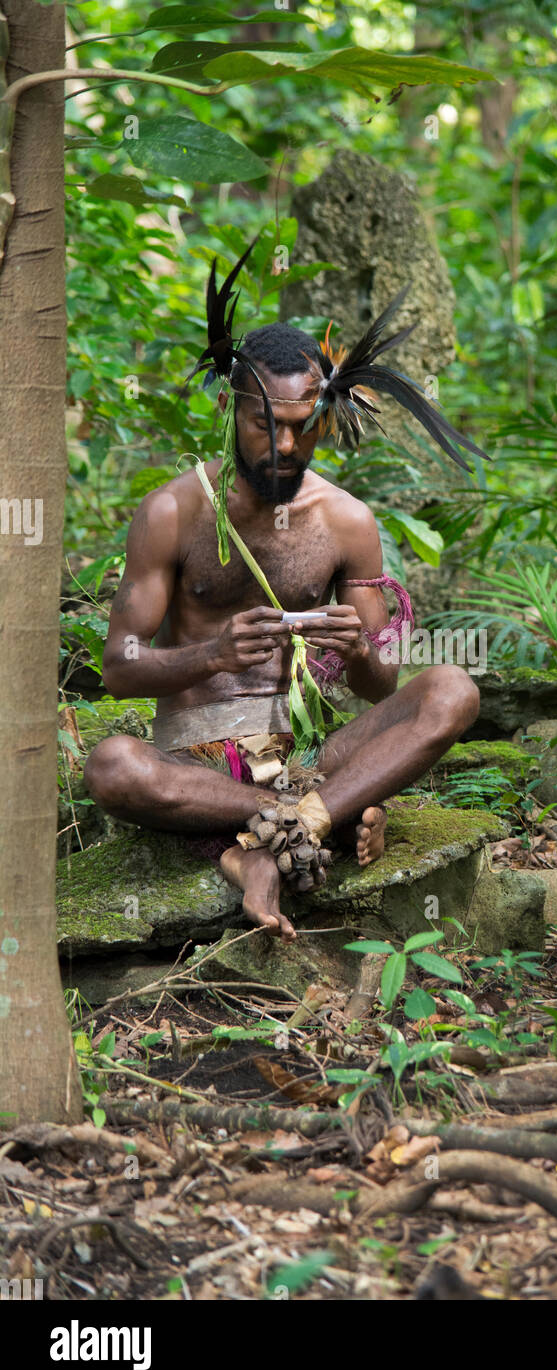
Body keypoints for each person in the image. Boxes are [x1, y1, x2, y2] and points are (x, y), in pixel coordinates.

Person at [84, 264, 488, 943]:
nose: (284, 446)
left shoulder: (348, 522)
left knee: (451, 690)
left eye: (304, 427)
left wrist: (357, 649)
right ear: (232, 410)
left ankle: (279, 833)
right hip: (194, 763)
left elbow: (380, 683)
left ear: (325, 418)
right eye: (262, 425)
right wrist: (209, 654)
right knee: (112, 766)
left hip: (308, 753)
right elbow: (119, 668)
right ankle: (316, 818)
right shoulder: (170, 512)